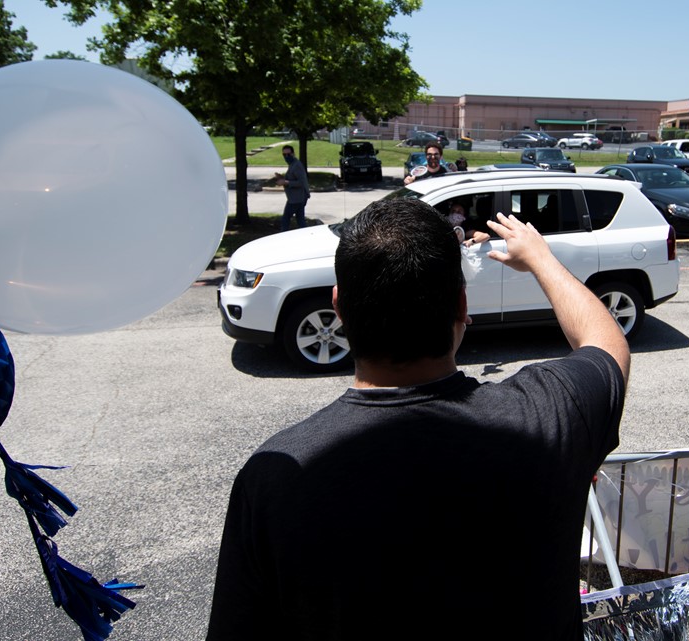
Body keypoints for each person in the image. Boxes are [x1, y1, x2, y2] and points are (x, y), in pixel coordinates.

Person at [207, 199, 630, 641]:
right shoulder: (548, 416)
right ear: (462, 303)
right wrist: (541, 259)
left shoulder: (276, 474)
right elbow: (604, 342)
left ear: (339, 307)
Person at [275, 145, 310, 231]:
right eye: (284, 155)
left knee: (285, 220)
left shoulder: (296, 165)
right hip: (297, 198)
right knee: (300, 220)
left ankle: (283, 238)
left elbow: (301, 182)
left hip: (296, 199)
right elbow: (293, 178)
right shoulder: (293, 164)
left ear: (293, 154)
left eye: (288, 154)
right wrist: (282, 177)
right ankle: (307, 236)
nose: (286, 157)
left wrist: (285, 182)